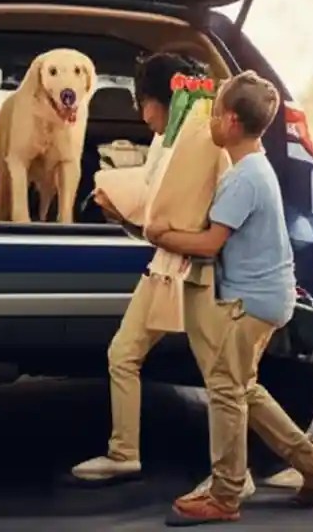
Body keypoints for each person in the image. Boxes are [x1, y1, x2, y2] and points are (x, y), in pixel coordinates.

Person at [146, 71, 313, 525]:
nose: (210, 121)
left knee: (225, 391)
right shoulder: (258, 166)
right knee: (244, 387)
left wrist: (160, 232)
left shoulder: (242, 180)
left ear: (231, 121)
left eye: (214, 113)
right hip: (270, 297)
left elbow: (210, 243)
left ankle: (226, 493)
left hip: (251, 303)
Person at [72, 52, 258, 499]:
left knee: (226, 378)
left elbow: (198, 211)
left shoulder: (203, 134)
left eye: (144, 104)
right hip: (164, 265)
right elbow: (156, 215)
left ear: (156, 100)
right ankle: (124, 452)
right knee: (124, 352)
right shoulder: (171, 137)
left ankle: (254, 470)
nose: (142, 115)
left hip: (200, 271)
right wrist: (122, 208)